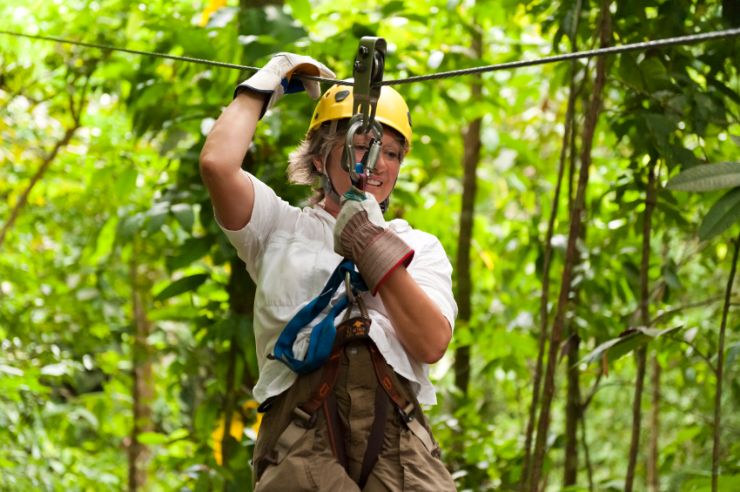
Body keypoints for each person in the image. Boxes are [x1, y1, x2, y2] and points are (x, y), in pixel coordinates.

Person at [199, 52, 457, 491]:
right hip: (301, 437)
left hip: (398, 437)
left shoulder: (418, 247)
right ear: (320, 159)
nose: (375, 163)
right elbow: (218, 165)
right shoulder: (277, 228)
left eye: (390, 152)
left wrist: (372, 244)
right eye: (360, 145)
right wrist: (271, 79)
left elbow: (431, 342)